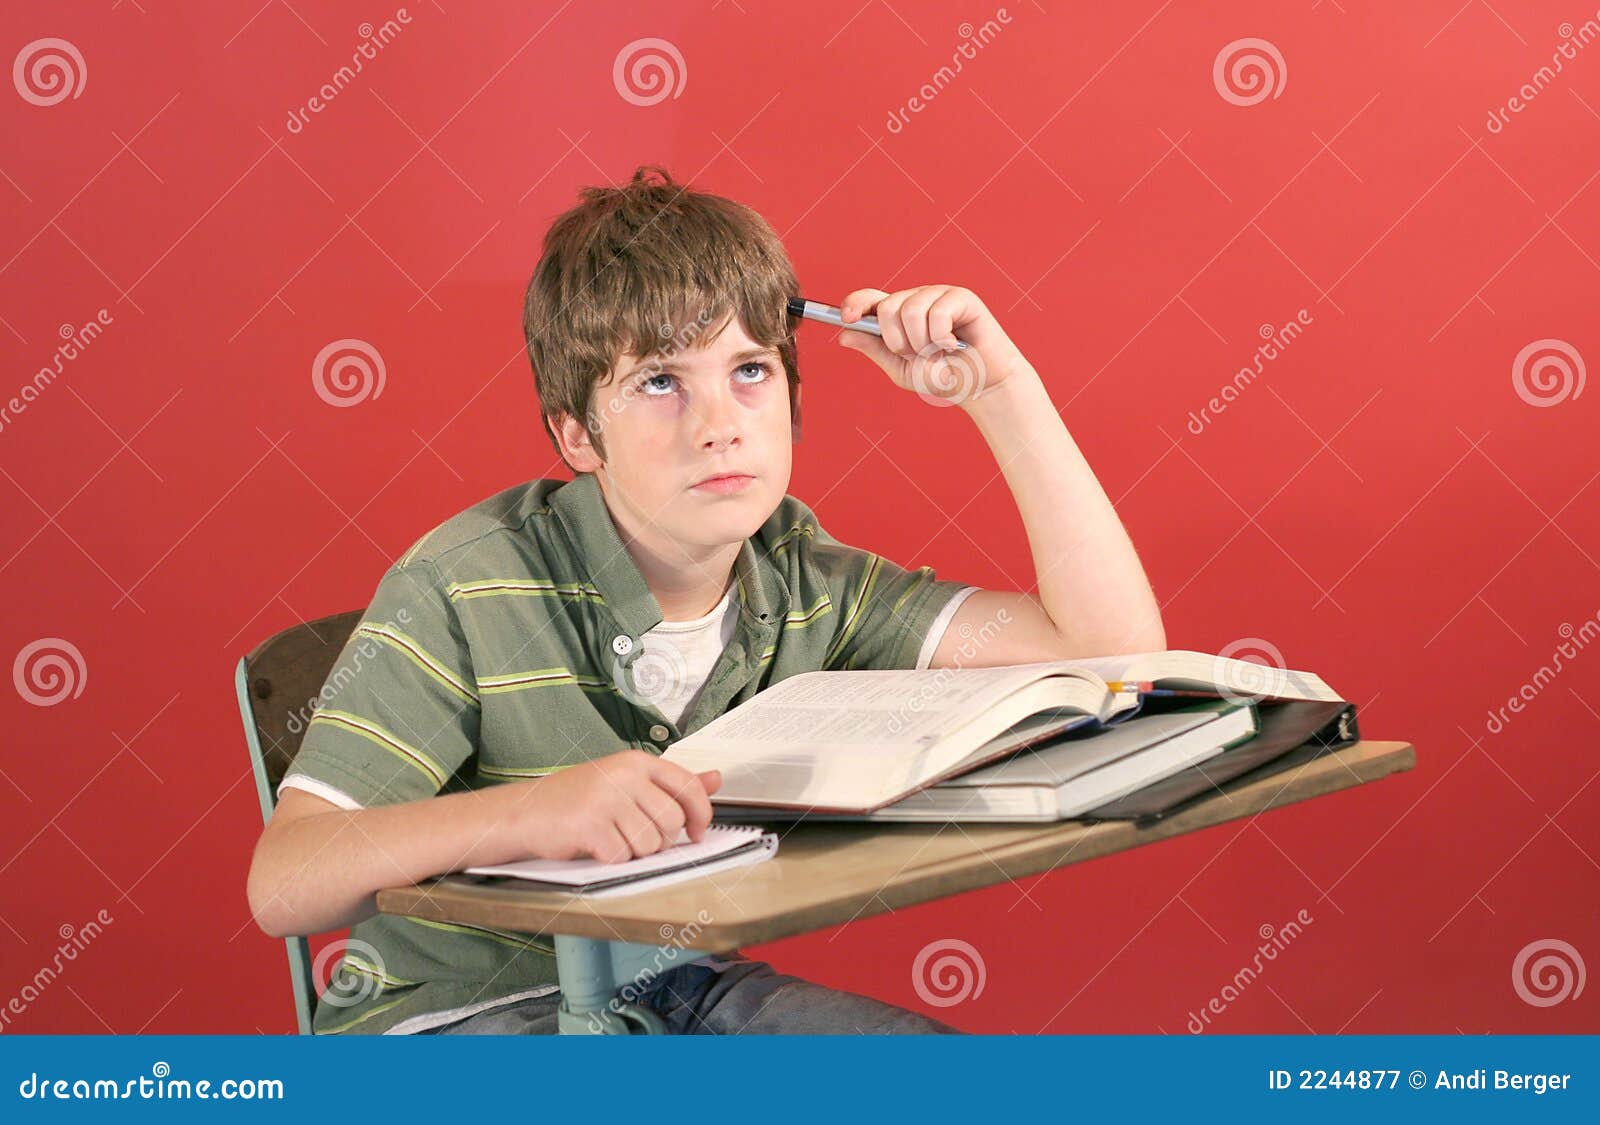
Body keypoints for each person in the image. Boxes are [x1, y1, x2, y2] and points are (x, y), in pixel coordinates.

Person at [245, 165, 1165, 1035]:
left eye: (751, 371)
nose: (719, 422)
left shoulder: (802, 576)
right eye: (659, 381)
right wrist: (529, 812)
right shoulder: (462, 580)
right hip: (449, 1016)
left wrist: (1003, 393)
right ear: (577, 433)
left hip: (677, 985)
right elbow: (285, 881)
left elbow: (1111, 650)